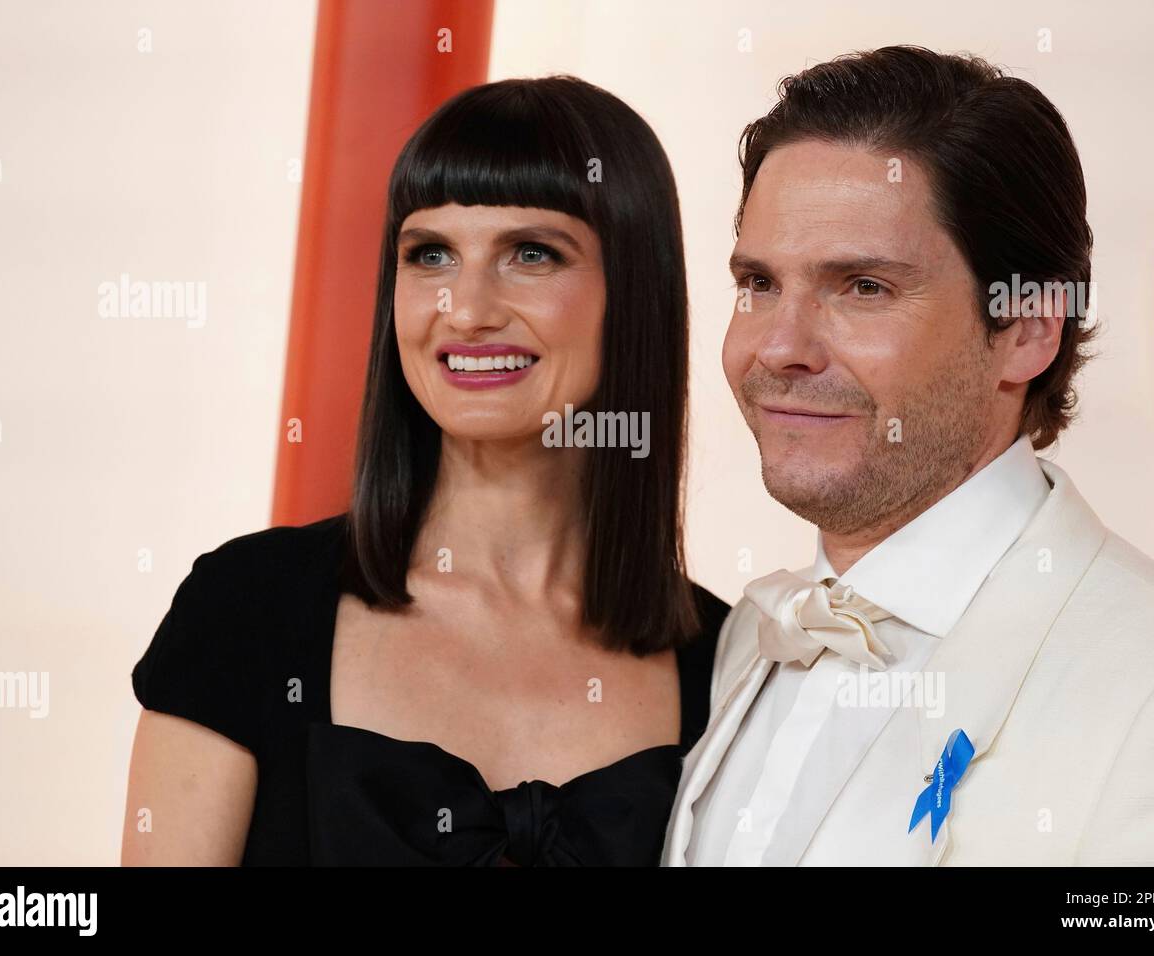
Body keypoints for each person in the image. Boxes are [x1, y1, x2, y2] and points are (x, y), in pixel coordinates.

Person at [123, 75, 728, 866]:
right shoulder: (248, 609)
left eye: (533, 253)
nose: (467, 308)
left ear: (635, 290)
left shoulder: (732, 668)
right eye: (431, 254)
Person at [663, 46, 1154, 866]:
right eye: (758, 284)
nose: (779, 347)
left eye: (863, 287)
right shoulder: (749, 638)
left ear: (1028, 329)